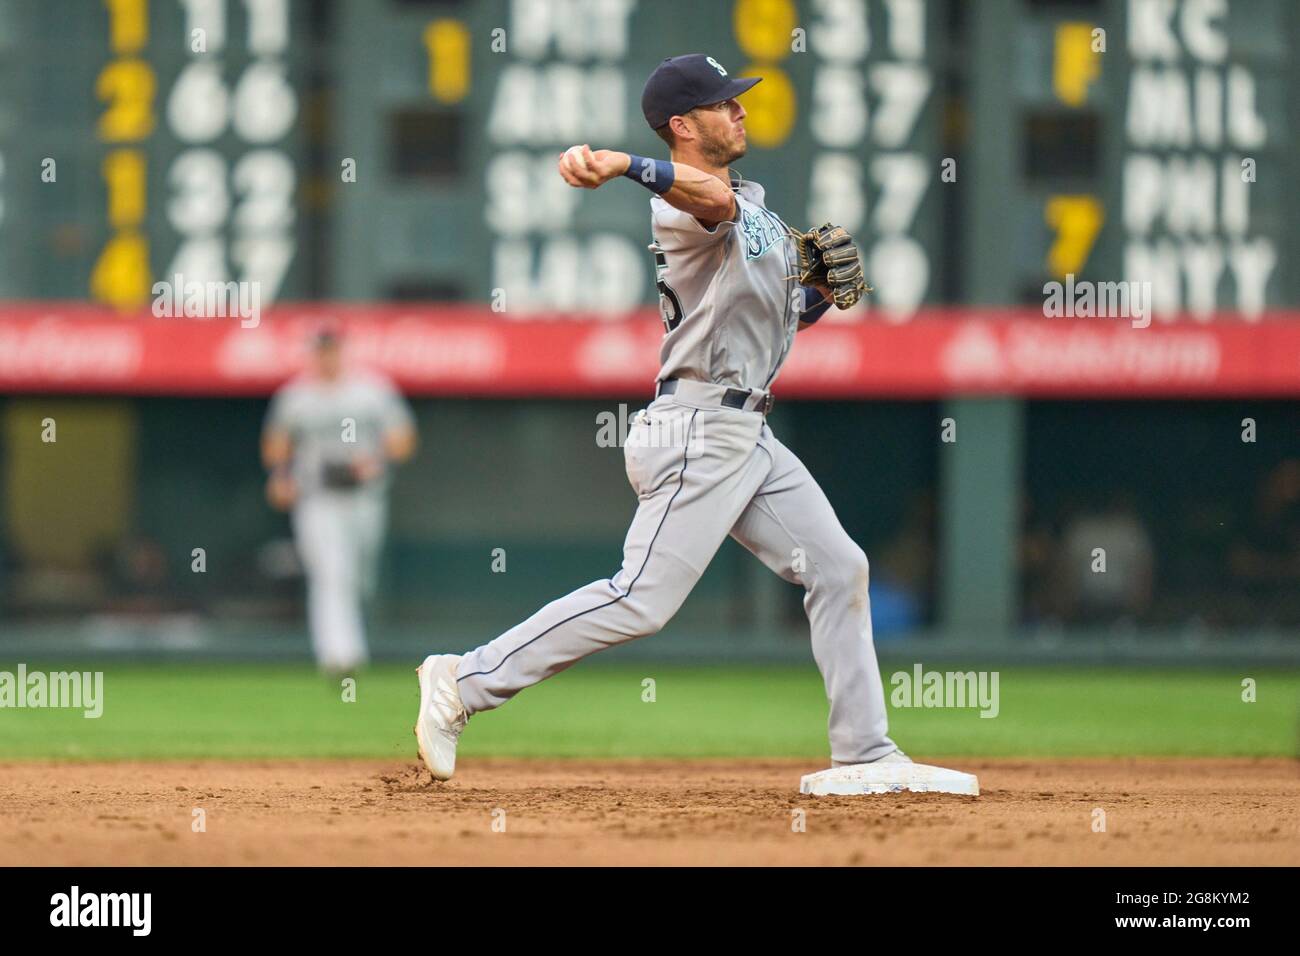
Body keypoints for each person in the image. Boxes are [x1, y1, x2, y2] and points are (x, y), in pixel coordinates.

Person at [415, 54, 931, 785]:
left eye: (738, 101)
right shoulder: (683, 202)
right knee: (640, 600)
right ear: (683, 127)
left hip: (745, 432)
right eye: (725, 104)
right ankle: (463, 682)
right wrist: (627, 162)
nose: (741, 111)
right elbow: (703, 199)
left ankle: (865, 751)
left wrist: (819, 296)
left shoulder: (755, 208)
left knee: (840, 567)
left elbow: (776, 316)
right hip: (697, 429)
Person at [262, 325, 416, 675]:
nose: (326, 357)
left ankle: (345, 649)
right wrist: (281, 476)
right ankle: (340, 656)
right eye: (320, 350)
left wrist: (376, 459)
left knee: (360, 576)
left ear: (342, 351)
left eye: (331, 349)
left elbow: (403, 439)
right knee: (331, 573)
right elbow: (276, 443)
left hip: (364, 497)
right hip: (317, 496)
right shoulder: (296, 395)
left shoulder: (371, 390)